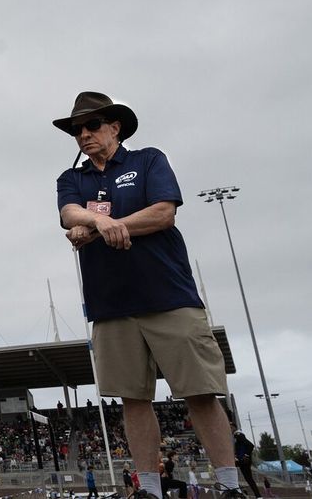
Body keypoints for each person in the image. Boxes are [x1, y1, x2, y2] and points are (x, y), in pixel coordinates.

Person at [53, 92, 242, 498]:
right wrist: (96, 224)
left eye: (93, 126)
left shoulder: (148, 160)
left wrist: (106, 225)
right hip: (112, 306)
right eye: (77, 130)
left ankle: (230, 485)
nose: (84, 134)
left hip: (170, 297)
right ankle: (150, 490)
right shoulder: (72, 179)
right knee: (133, 400)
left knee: (201, 393)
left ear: (115, 127)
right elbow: (70, 215)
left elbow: (163, 212)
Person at [233, 431, 261, 497]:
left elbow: (251, 445)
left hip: (244, 461)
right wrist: (236, 456)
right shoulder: (237, 443)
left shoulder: (241, 439)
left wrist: (246, 455)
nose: (237, 438)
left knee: (249, 478)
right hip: (240, 461)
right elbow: (237, 451)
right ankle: (257, 495)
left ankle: (258, 495)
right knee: (248, 478)